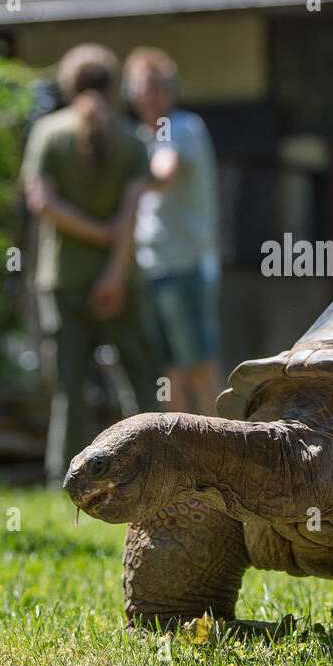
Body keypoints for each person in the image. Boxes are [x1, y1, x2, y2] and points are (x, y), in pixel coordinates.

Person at [21, 43, 160, 485]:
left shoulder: (47, 133)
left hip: (62, 278)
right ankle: (154, 471)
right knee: (139, 380)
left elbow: (42, 202)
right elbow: (131, 216)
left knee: (69, 386)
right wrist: (114, 273)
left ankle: (62, 478)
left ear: (67, 84)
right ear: (113, 84)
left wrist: (89, 233)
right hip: (123, 281)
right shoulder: (131, 138)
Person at [123, 47, 225, 415]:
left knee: (199, 365)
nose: (148, 95)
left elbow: (164, 173)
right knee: (167, 373)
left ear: (169, 90)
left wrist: (123, 180)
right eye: (140, 87)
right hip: (152, 268)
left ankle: (227, 456)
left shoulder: (183, 127)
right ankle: (180, 461)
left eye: (155, 86)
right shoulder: (139, 137)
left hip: (186, 266)